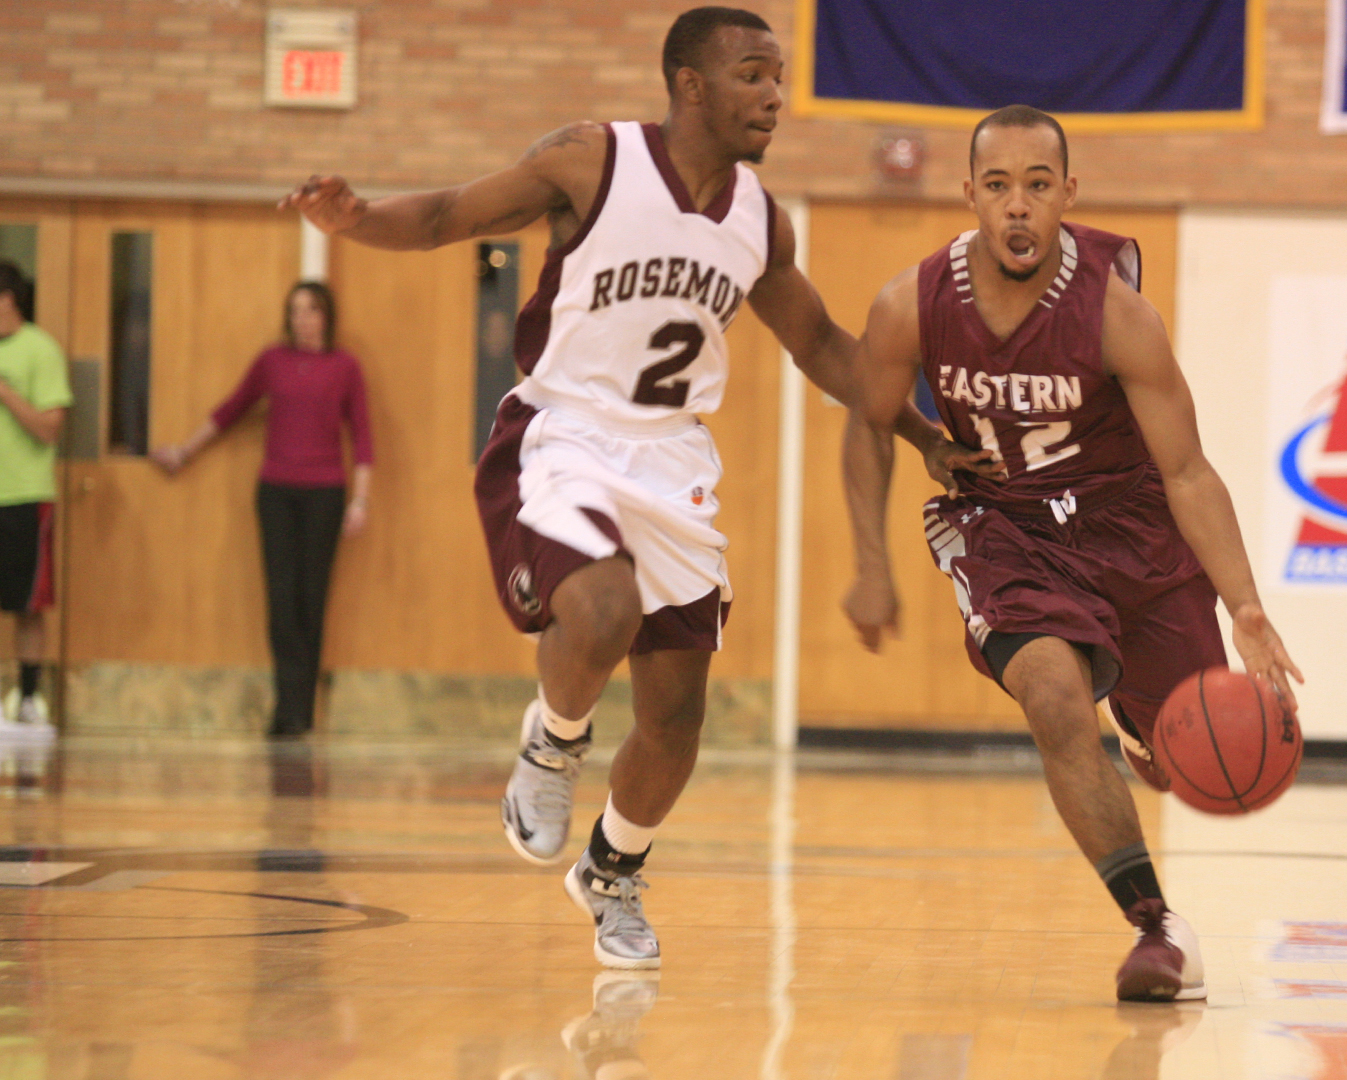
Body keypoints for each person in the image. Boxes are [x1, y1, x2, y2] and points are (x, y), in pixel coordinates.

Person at [281, 7, 982, 969]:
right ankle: (554, 741)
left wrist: (924, 433)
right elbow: (451, 216)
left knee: (675, 720)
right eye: (751, 74)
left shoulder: (758, 221)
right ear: (689, 84)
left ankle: (610, 873)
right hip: (565, 429)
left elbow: (824, 348)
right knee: (601, 607)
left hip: (674, 458)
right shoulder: (591, 161)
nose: (774, 94)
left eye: (778, 77)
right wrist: (357, 222)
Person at [840, 106, 1306, 1003]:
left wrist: (1244, 604)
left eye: (1039, 186)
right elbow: (867, 422)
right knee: (1053, 695)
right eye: (1000, 187)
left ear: (1069, 195)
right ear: (969, 192)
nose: (1019, 208)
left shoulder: (1119, 316)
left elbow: (1187, 470)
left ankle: (1139, 718)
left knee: (1183, 759)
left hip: (1126, 522)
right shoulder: (912, 303)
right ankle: (1154, 927)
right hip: (1005, 524)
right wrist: (870, 561)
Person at [151, 282, 374, 739]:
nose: (302, 319)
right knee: (280, 599)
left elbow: (364, 435)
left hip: (325, 493)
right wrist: (183, 452)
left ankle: (300, 711)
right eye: (294, 311)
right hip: (276, 490)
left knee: (311, 602)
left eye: (310, 310)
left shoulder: (345, 367)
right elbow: (230, 410)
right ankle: (286, 706)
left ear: (326, 316)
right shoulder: (271, 361)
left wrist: (361, 499)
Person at [0, 260, 69, 734]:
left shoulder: (40, 349)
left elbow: (49, 428)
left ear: (8, 299)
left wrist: (4, 392)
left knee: (27, 603)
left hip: (25, 494)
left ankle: (27, 698)